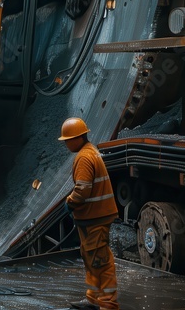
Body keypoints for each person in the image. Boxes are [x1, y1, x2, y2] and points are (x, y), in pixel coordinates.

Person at [59, 117, 120, 310]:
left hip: (96, 217)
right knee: (91, 258)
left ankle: (108, 303)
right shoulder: (91, 151)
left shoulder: (84, 158)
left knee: (100, 261)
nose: (66, 143)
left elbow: (83, 189)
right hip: (94, 216)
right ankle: (93, 298)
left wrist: (70, 203)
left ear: (78, 138)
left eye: (68, 139)